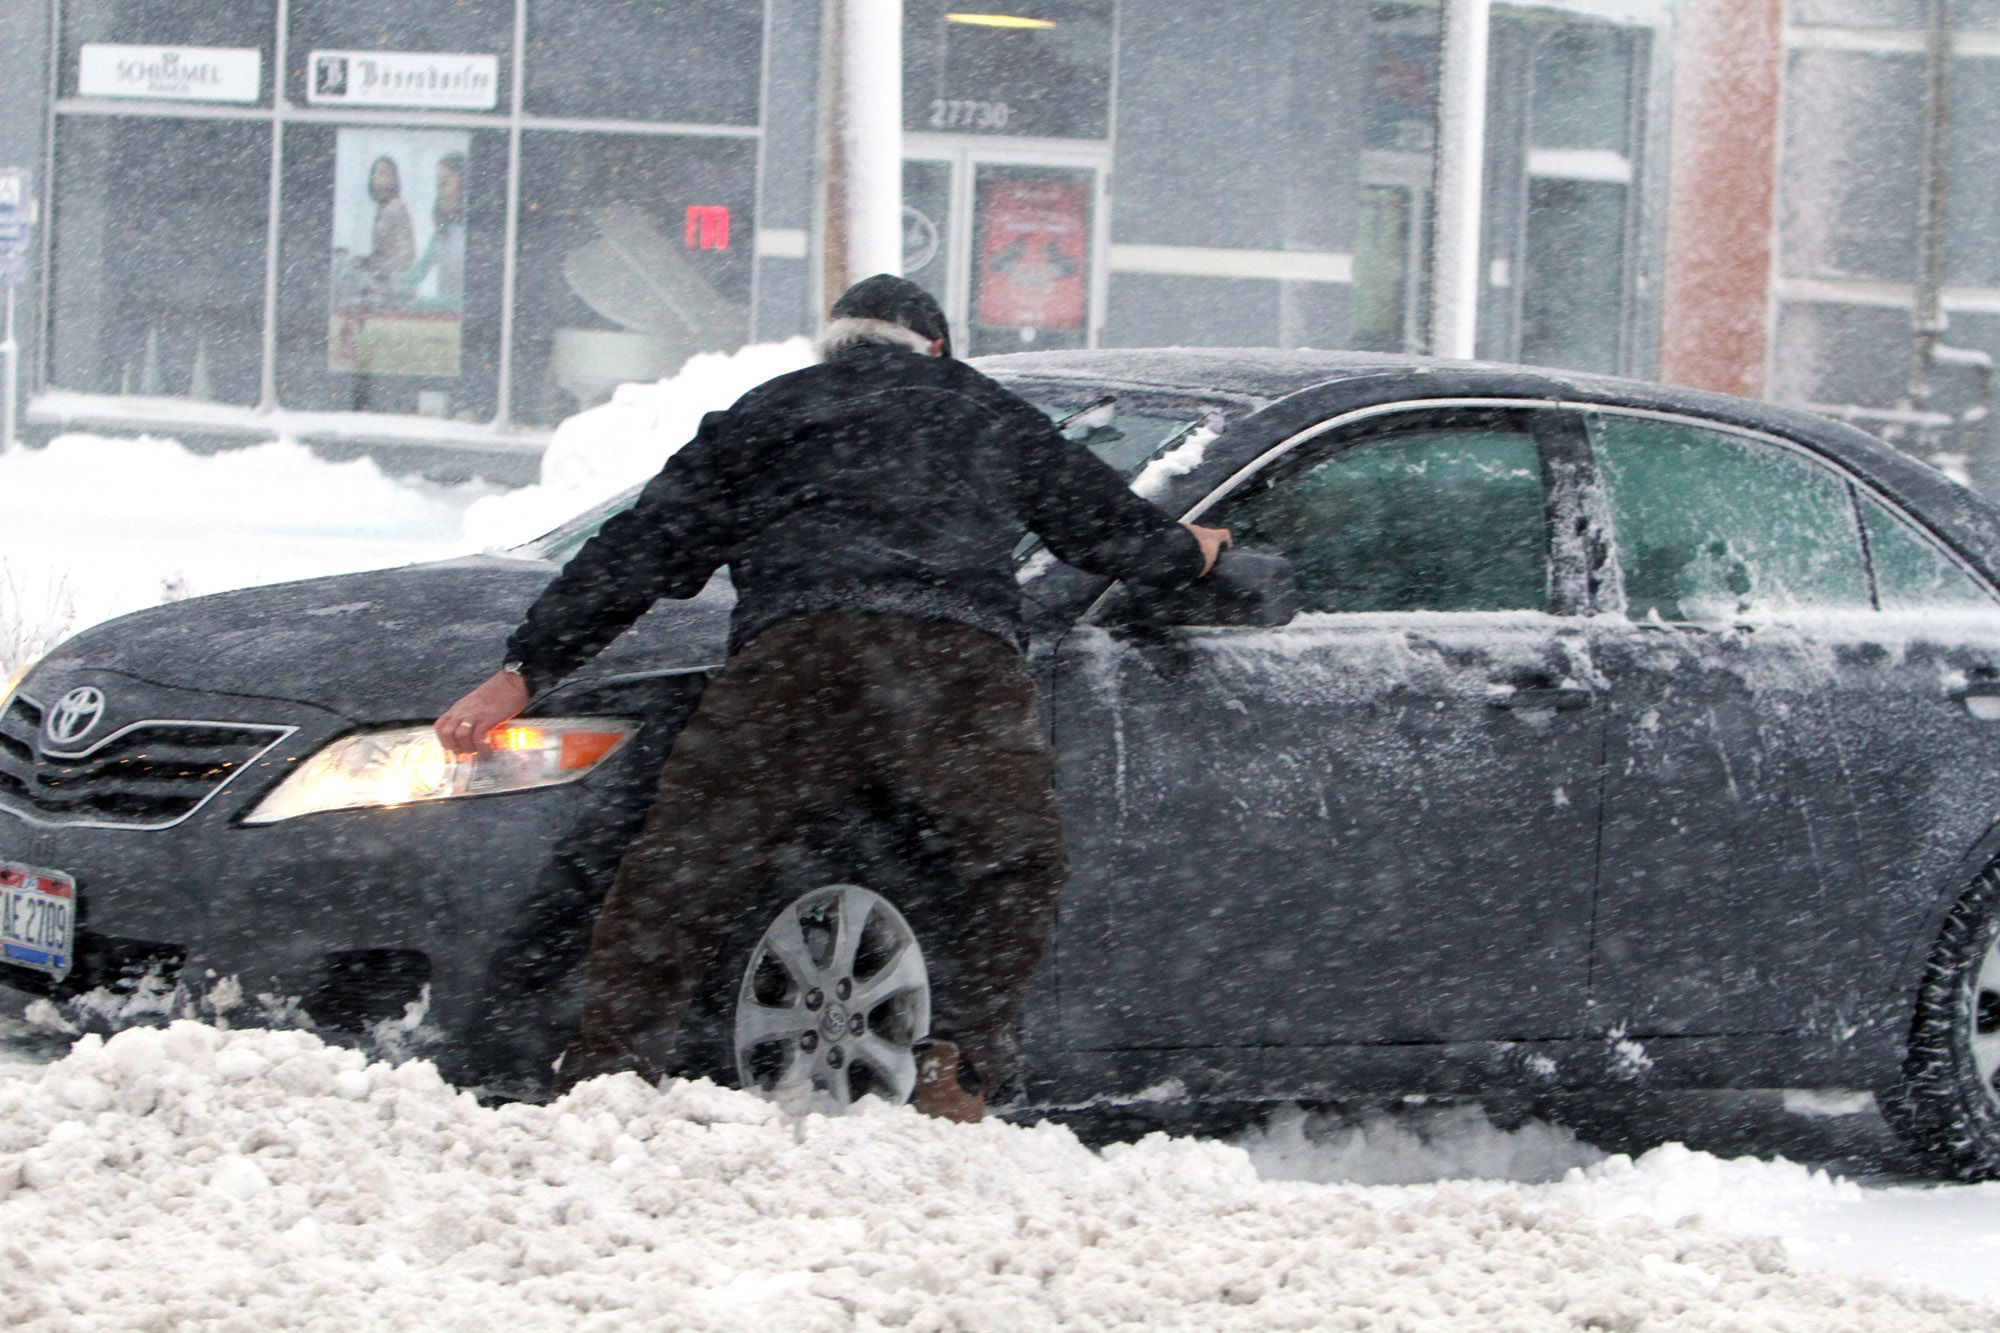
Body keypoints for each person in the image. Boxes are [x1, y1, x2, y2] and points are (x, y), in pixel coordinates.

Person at [435, 274, 1230, 1121]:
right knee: (1013, 859)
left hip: (795, 666)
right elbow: (1106, 530)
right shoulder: (982, 409)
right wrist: (1196, 553)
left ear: (837, 344)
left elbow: (640, 547)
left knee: (680, 870)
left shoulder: (771, 411)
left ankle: (607, 1077)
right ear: (935, 346)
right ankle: (958, 1067)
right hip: (955, 668)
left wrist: (524, 670)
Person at [353, 156, 415, 300]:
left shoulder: (396, 208)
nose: (379, 179)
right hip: (380, 285)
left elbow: (406, 255)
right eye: (375, 174)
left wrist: (378, 269)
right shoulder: (380, 210)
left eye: (384, 173)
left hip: (392, 290)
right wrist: (366, 263)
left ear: (394, 179)